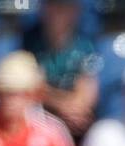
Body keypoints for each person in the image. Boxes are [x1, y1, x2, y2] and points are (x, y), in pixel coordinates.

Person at [22, 0, 100, 137]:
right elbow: (29, 88)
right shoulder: (28, 42)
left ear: (75, 11)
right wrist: (63, 105)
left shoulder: (86, 45)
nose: (56, 14)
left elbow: (87, 94)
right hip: (42, 116)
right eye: (52, 6)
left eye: (63, 8)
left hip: (76, 120)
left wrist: (71, 106)